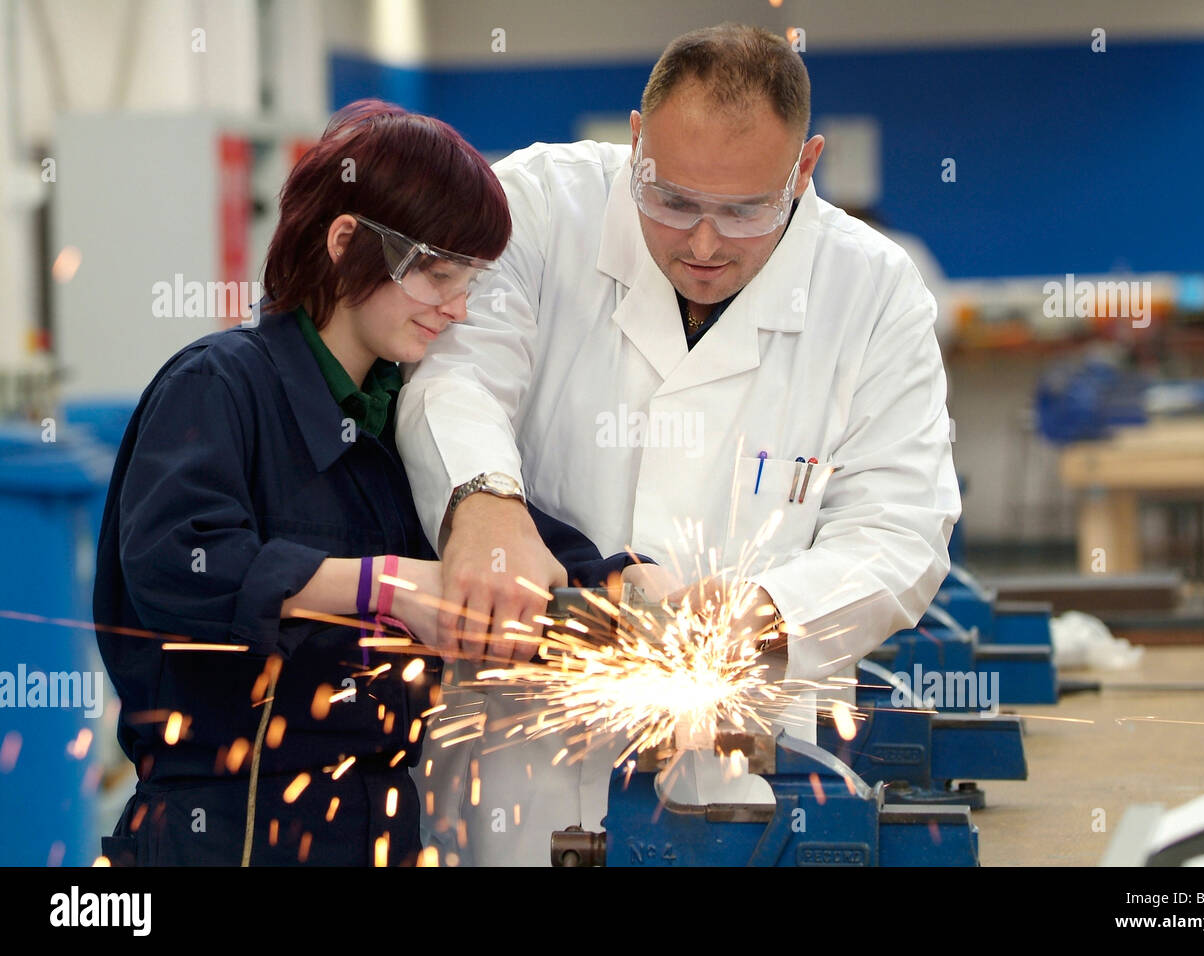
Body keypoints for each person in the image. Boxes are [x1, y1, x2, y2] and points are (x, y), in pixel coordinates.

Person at [396, 23, 961, 866]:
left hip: (744, 777)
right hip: (526, 756)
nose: (702, 244)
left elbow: (900, 530)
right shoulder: (539, 206)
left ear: (804, 169)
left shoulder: (873, 292)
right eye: (672, 202)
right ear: (634, 142)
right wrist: (482, 501)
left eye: (743, 212)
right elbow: (456, 375)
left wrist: (761, 615)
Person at [93, 99, 524, 866]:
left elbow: (495, 532)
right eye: (437, 275)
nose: (457, 310)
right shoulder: (220, 388)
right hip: (224, 832)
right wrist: (385, 588)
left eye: (471, 283)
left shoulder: (399, 415)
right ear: (347, 241)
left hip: (377, 826)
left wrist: (622, 586)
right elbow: (176, 566)